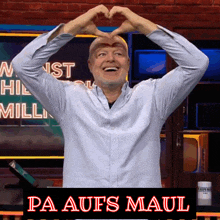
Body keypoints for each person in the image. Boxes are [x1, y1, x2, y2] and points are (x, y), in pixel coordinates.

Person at [12, 5, 209, 190]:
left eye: (118, 53)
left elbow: (197, 63)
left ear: (128, 63)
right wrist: (74, 27)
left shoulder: (153, 97)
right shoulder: (69, 99)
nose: (111, 58)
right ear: (90, 65)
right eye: (102, 53)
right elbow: (23, 65)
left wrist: (143, 26)